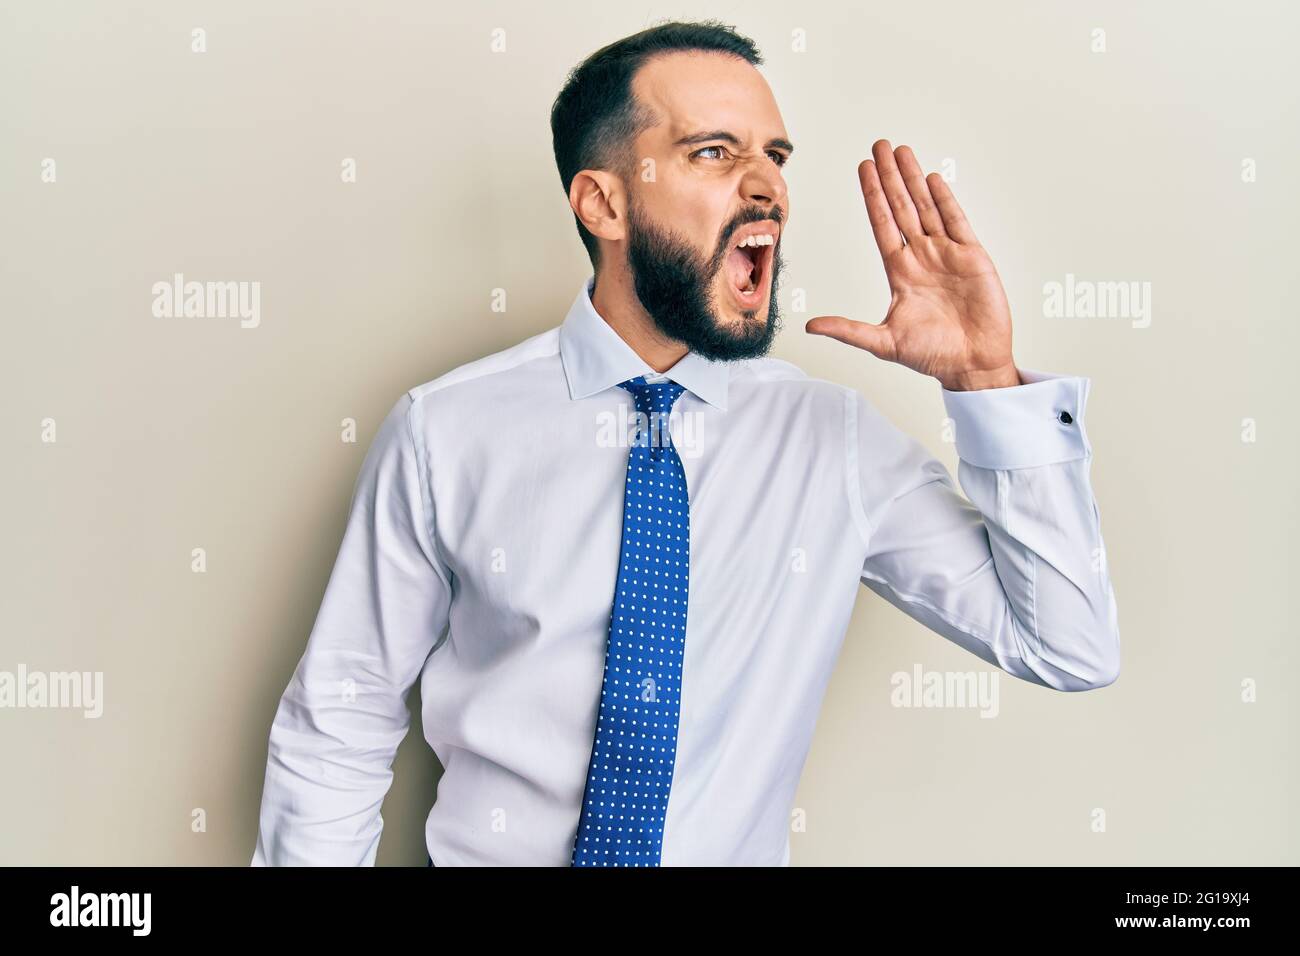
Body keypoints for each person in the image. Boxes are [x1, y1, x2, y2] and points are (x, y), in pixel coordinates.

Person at [251, 19, 1120, 867]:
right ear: (604, 202)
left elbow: (1066, 646)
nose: (767, 187)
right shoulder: (445, 431)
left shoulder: (833, 440)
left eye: (775, 157)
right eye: (715, 151)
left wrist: (984, 381)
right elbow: (342, 715)